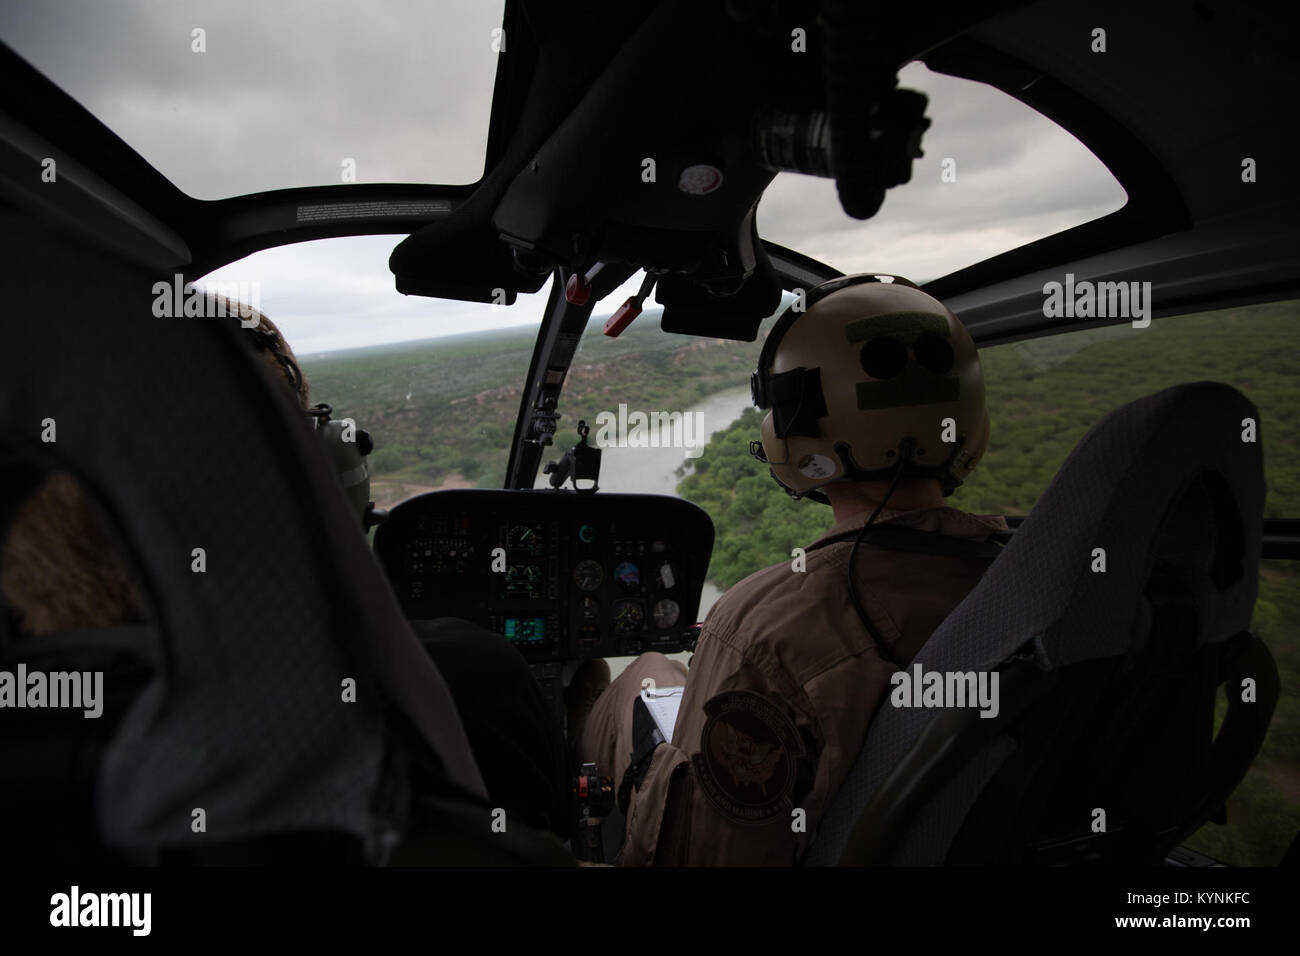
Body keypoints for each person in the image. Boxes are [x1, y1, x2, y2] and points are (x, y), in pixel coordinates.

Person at [572, 274, 1008, 865]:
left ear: (792, 427)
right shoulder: (1031, 569)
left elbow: (695, 854)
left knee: (640, 673)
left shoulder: (762, 629)